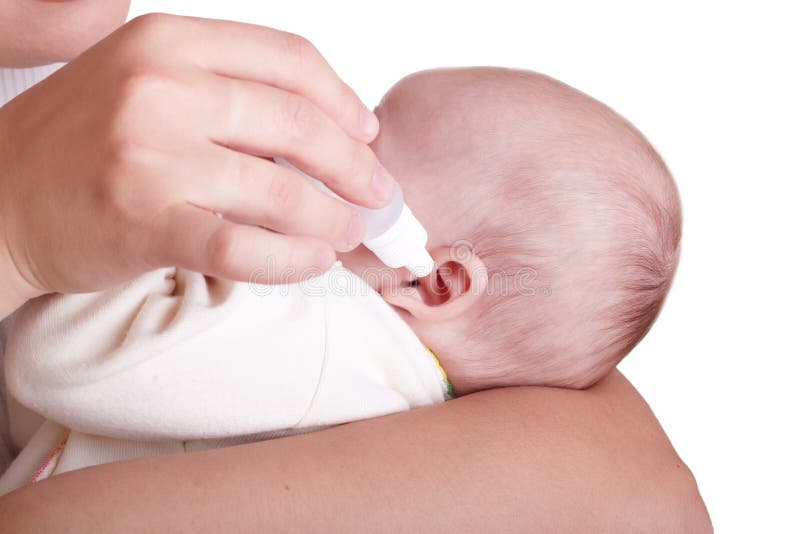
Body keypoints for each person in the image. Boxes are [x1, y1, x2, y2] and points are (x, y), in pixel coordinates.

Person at [0, 3, 711, 530]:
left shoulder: (329, 339)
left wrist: (121, 232)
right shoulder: (392, 375)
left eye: (373, 141)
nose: (330, 140)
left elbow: (49, 359)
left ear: (438, 280)